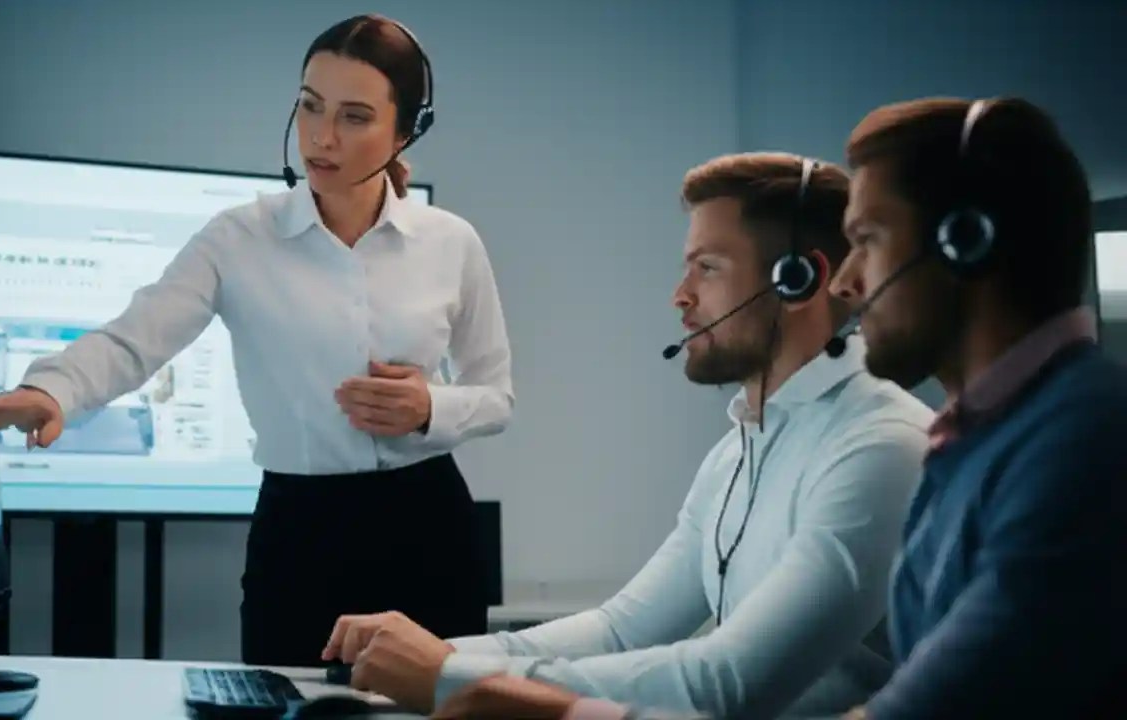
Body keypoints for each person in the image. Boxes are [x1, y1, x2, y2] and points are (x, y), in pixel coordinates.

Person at [320, 153, 935, 718]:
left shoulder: (879, 447)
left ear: (797, 279)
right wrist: (423, 654)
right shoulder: (740, 451)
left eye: (708, 268)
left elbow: (727, 683)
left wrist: (447, 676)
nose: (681, 296)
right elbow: (621, 629)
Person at [0, 14, 514, 667]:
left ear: (405, 132)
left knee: (442, 709)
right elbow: (135, 338)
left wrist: (432, 408)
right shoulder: (239, 238)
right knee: (282, 703)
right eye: (310, 106)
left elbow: (496, 395)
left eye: (354, 117)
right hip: (299, 531)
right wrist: (51, 388)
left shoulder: (451, 242)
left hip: (428, 526)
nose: (320, 137)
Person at [829, 96, 1125, 719]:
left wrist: (576, 712)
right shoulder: (978, 440)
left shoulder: (1086, 440)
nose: (843, 283)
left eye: (867, 239)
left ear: (965, 240)